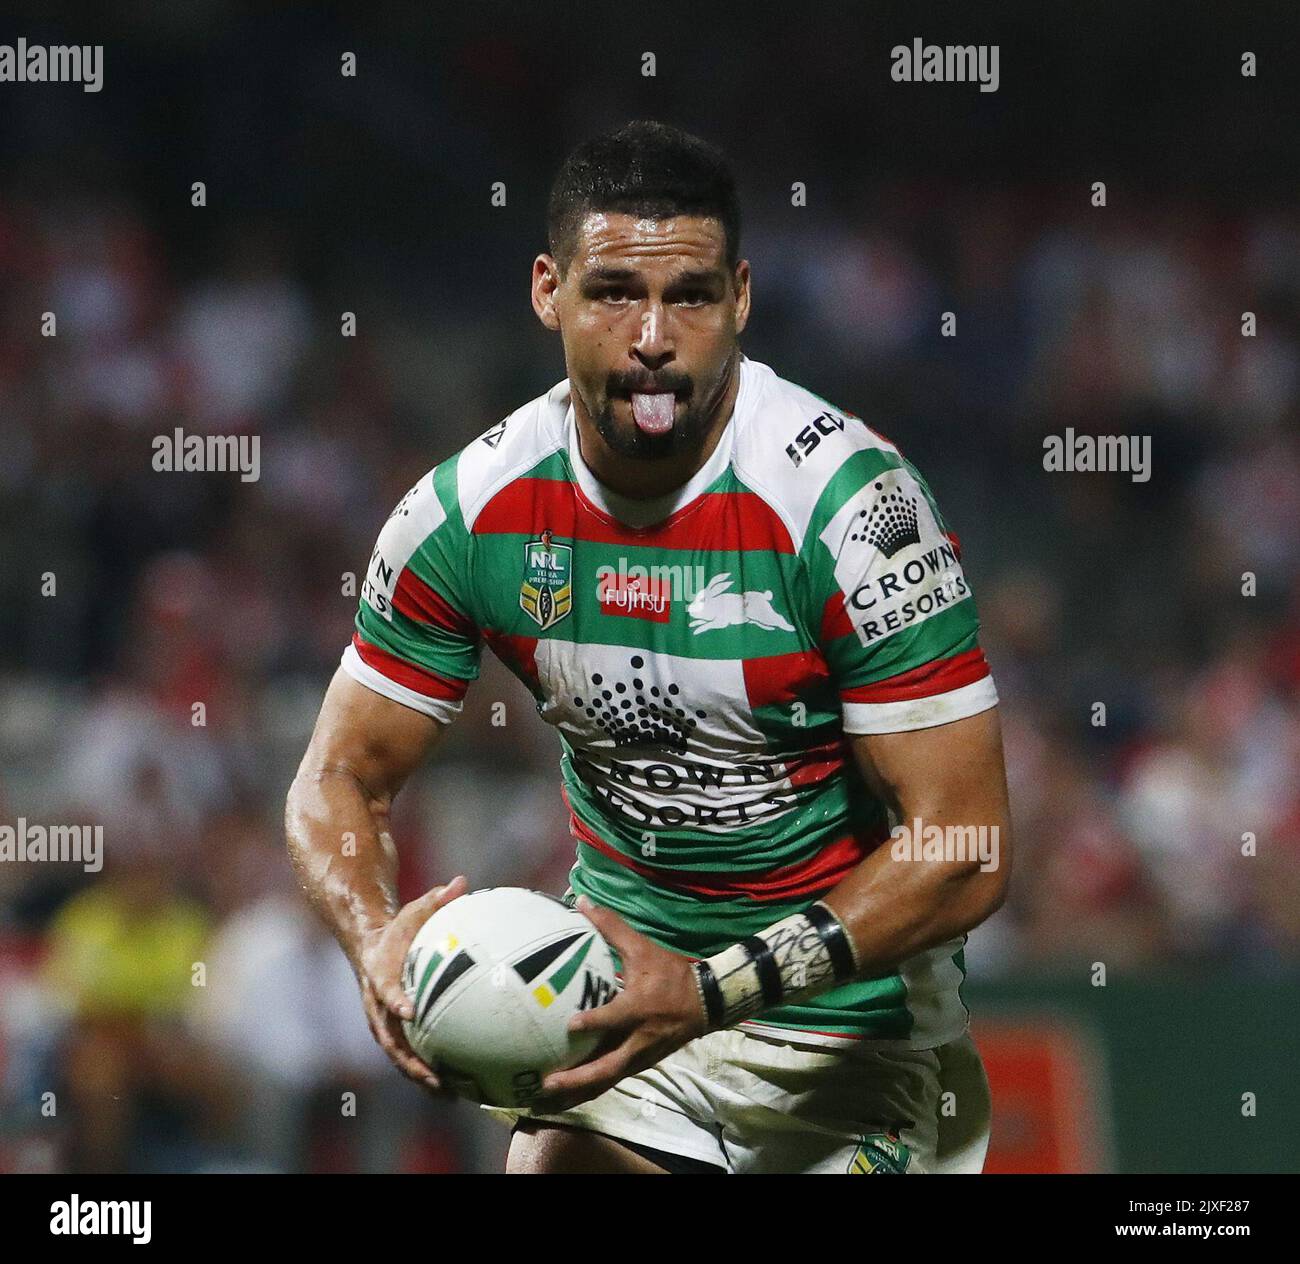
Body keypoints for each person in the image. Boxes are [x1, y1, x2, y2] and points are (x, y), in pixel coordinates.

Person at [286, 120, 1012, 1174]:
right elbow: (339, 775)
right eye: (615, 291)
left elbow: (966, 845)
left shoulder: (850, 510)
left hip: (853, 1041)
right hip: (623, 1022)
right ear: (548, 291)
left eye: (692, 297)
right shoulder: (467, 515)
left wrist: (713, 987)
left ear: (742, 299)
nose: (654, 337)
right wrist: (372, 934)